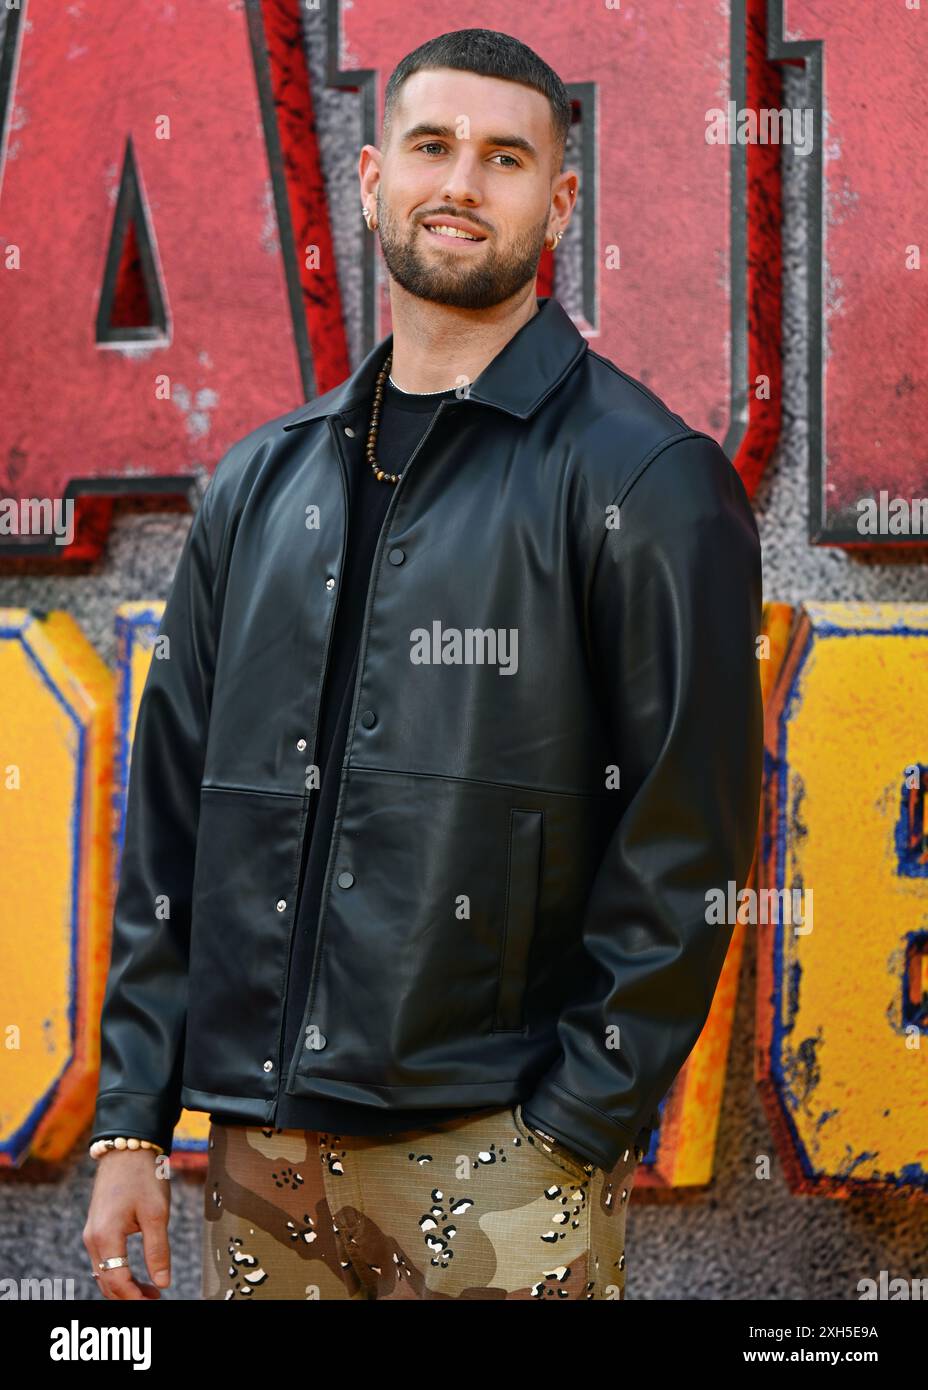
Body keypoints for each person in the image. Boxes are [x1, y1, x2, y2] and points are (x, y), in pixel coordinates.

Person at [84, 28, 763, 1301]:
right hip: (256, 1159)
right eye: (432, 146)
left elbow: (692, 835)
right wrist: (134, 1117)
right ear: (372, 176)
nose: (462, 182)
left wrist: (567, 1129)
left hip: (498, 1164)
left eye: (507, 157)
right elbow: (173, 818)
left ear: (560, 203)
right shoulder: (258, 483)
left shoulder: (648, 481)